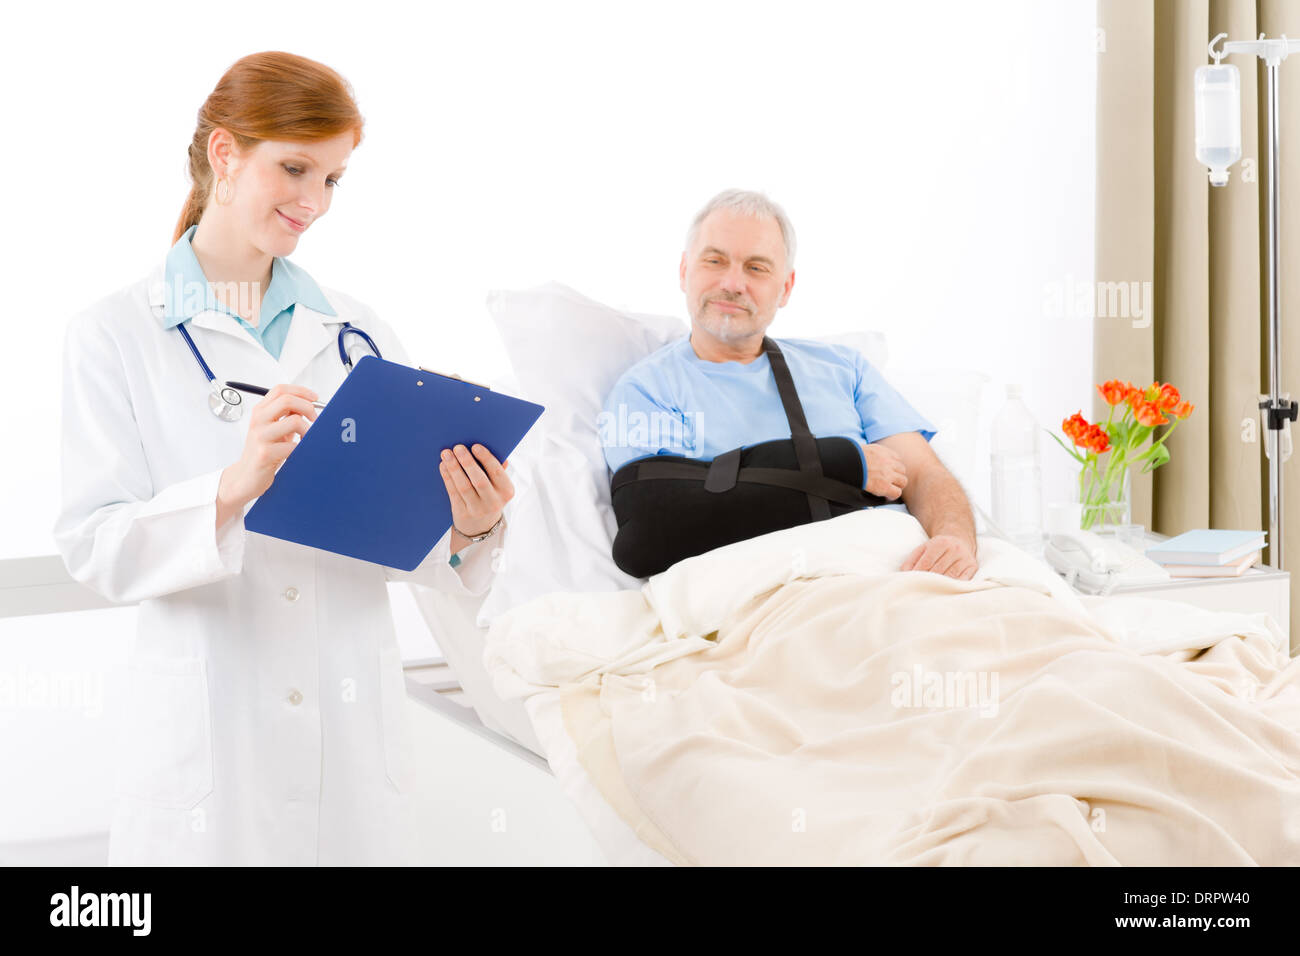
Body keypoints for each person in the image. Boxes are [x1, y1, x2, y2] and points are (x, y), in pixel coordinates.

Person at [53, 51, 513, 865]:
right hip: (212, 749)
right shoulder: (116, 333)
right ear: (224, 154)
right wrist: (230, 490)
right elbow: (95, 545)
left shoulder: (357, 335)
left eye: (334, 179)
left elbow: (407, 547)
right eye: (296, 168)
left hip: (348, 739)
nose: (315, 202)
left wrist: (470, 526)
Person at [601, 189, 977, 580]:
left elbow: (923, 474)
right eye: (714, 261)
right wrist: (840, 464)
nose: (732, 283)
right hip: (778, 590)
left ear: (786, 287)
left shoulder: (844, 369)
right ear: (683, 271)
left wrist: (954, 540)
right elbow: (655, 529)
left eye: (757, 268)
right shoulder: (648, 391)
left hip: (900, 571)